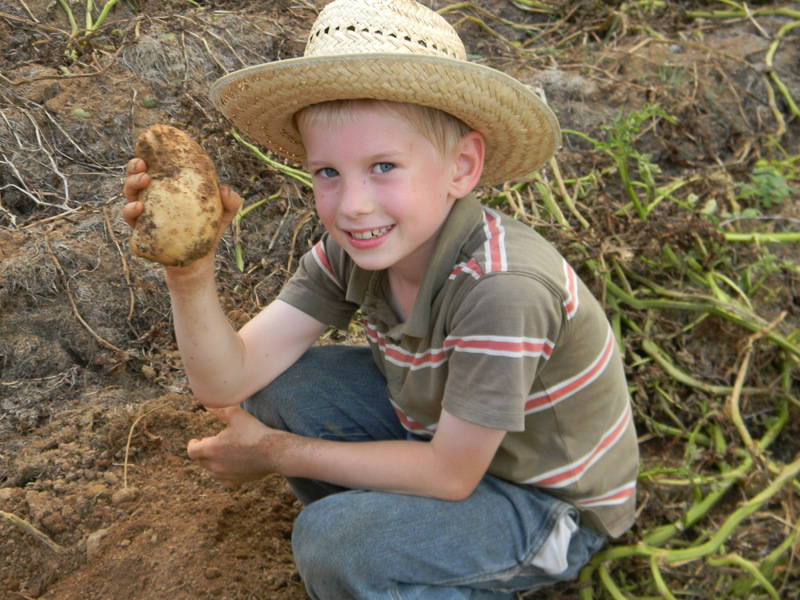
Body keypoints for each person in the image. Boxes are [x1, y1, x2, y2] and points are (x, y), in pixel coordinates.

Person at [122, 0, 639, 597]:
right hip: (447, 447)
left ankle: (410, 560)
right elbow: (228, 380)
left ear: (463, 166)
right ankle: (397, 545)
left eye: (384, 166)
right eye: (328, 173)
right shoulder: (357, 248)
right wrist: (190, 270)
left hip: (546, 502)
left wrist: (274, 452)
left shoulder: (503, 289)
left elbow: (449, 476)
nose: (353, 205)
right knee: (281, 387)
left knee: (336, 543)